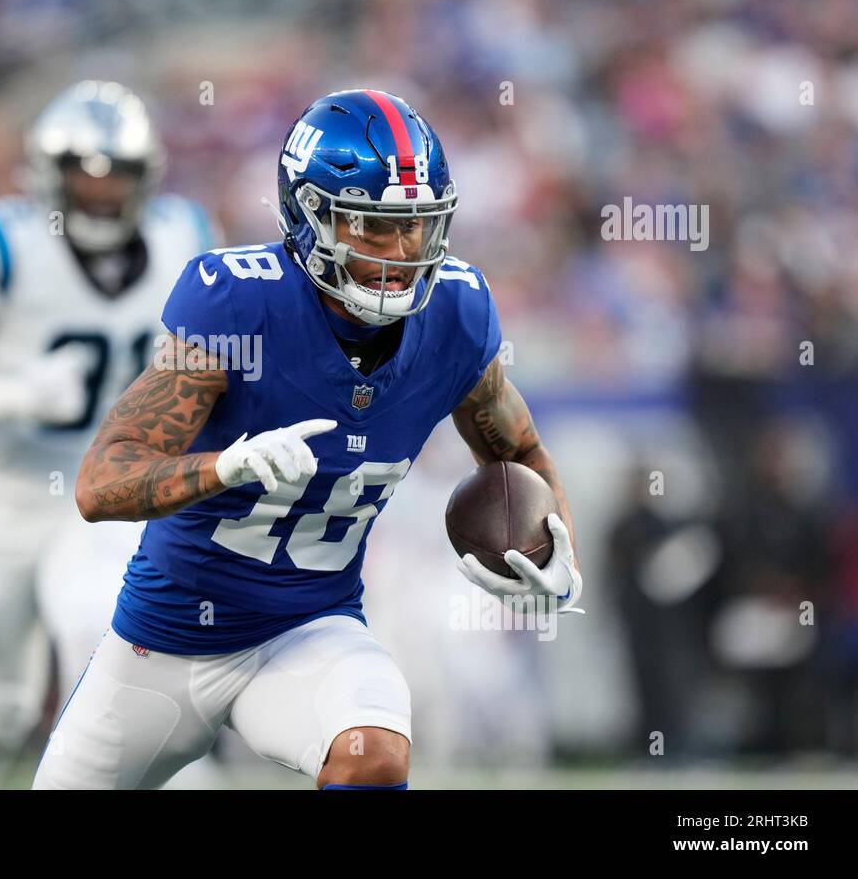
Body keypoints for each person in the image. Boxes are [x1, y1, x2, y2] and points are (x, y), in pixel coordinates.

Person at [35, 89, 584, 790]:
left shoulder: (457, 311)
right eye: (373, 227)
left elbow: (519, 454)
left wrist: (557, 559)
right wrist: (225, 466)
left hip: (308, 633)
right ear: (309, 216)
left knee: (374, 754)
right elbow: (101, 482)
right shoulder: (238, 302)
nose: (402, 251)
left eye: (416, 227)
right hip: (160, 646)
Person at [0, 80, 217, 788]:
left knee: (98, 636)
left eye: (115, 176)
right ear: (46, 176)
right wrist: (14, 395)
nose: (99, 194)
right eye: (82, 177)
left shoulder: (185, 236)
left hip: (104, 491)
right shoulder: (4, 247)